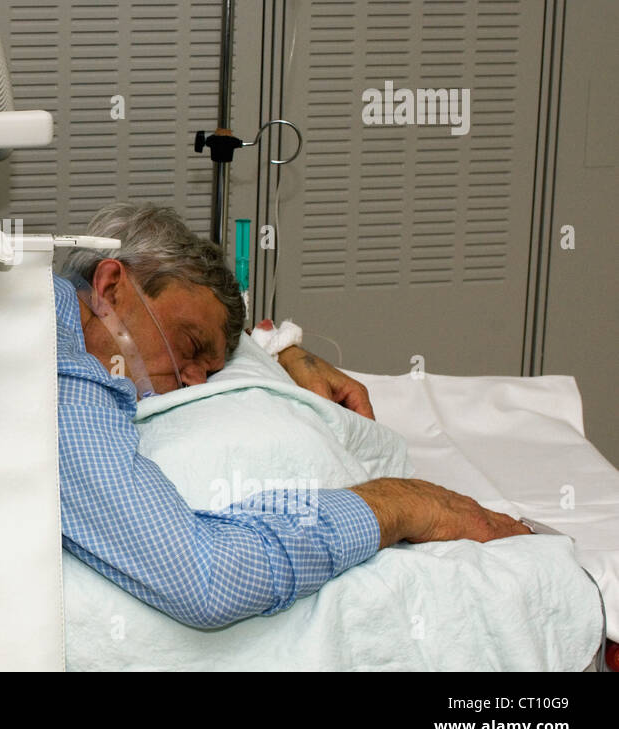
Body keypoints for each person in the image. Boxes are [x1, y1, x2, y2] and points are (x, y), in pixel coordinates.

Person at [57, 202, 530, 628]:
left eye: (209, 370)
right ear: (110, 287)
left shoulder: (46, 309)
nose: (194, 381)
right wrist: (398, 504)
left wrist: (280, 351)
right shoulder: (63, 383)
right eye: (191, 345)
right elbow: (208, 578)